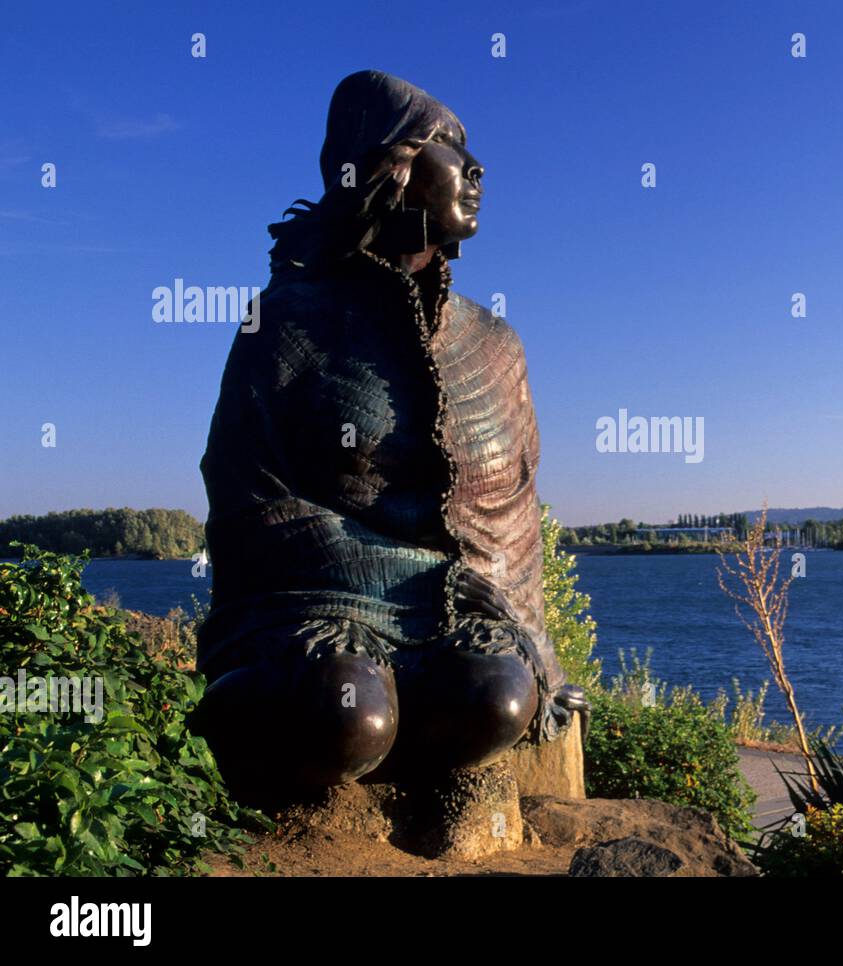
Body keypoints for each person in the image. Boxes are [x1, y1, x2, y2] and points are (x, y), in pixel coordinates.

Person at [191, 70, 585, 797]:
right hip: (320, 605)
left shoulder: (496, 344)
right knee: (356, 718)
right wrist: (414, 576)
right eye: (450, 146)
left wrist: (534, 646)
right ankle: (260, 712)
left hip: (464, 617)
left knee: (497, 697)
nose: (476, 169)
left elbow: (517, 519)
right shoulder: (286, 322)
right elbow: (250, 497)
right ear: (393, 166)